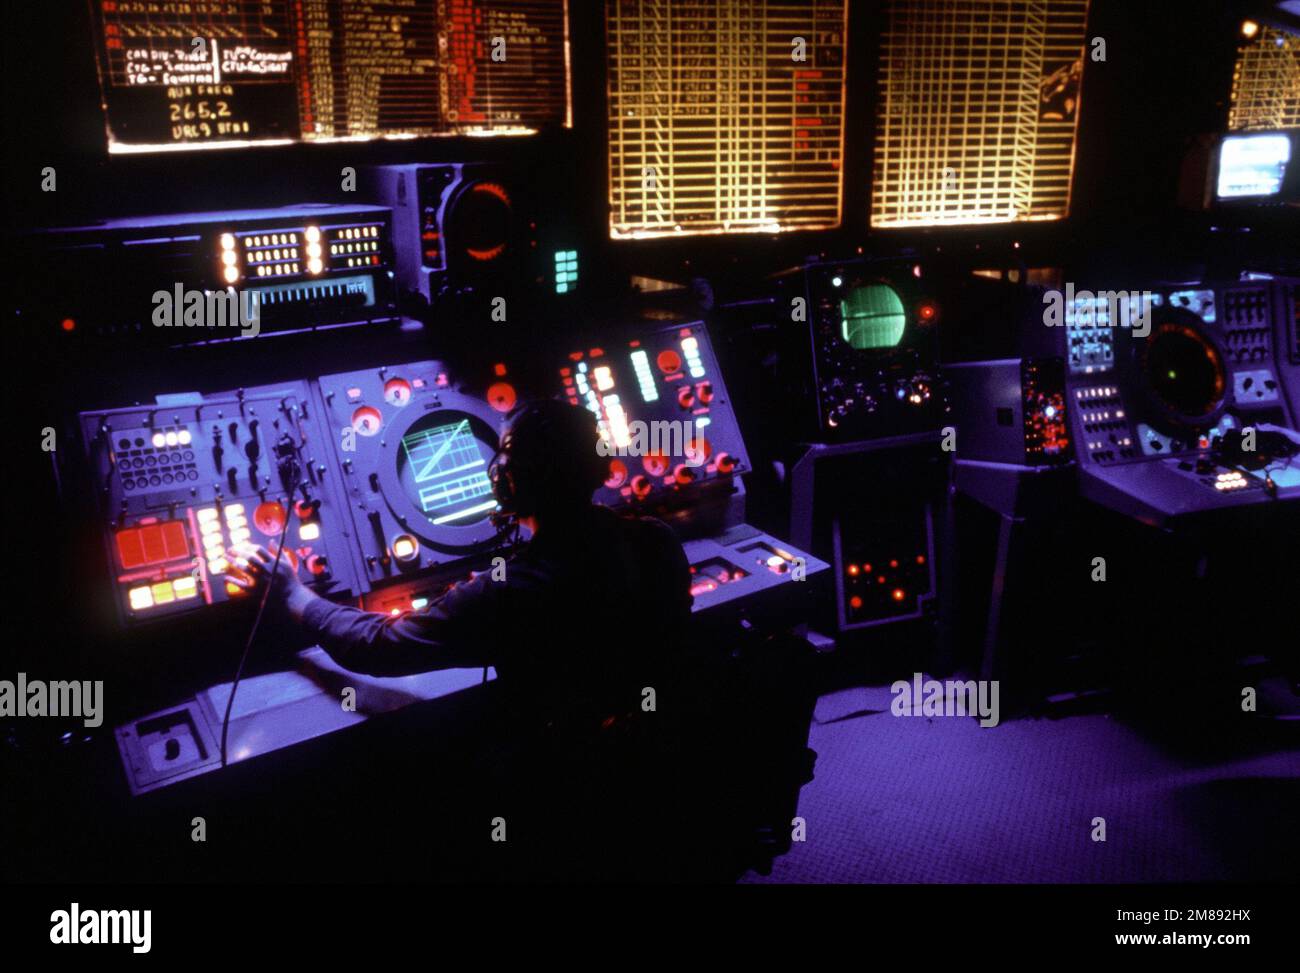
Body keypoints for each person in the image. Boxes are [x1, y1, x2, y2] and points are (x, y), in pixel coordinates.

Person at [226, 398, 693, 731]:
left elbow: (378, 647)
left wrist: (293, 594)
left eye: (504, 455)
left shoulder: (508, 593)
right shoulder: (658, 539)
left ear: (508, 480)